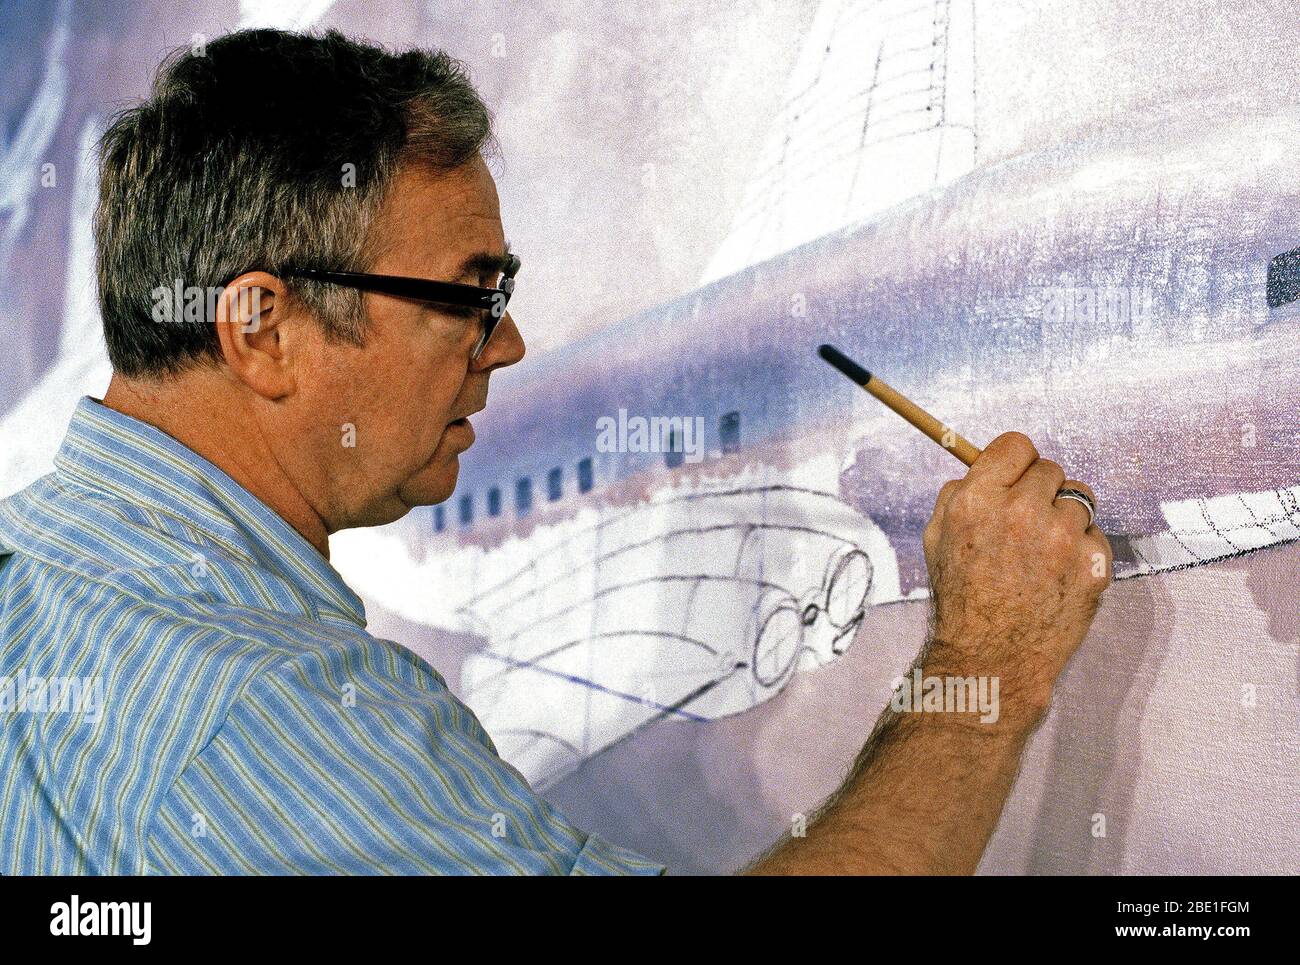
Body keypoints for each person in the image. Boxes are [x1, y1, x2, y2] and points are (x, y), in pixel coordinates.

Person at [0, 28, 1110, 875]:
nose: (509, 343)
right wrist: (989, 662)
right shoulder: (275, 715)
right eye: (472, 297)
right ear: (262, 330)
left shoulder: (32, 570)